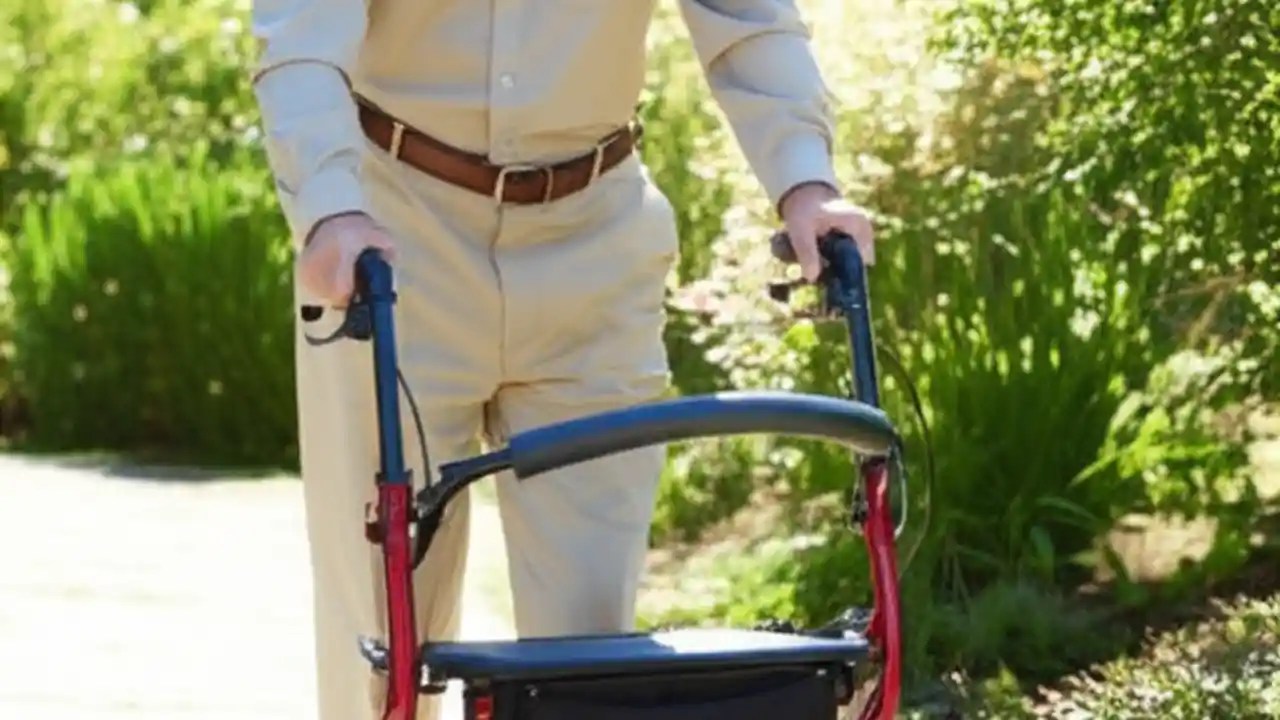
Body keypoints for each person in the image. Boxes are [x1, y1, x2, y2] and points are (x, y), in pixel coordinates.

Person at [249, 1, 876, 718]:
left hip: (595, 244)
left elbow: (750, 22)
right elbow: (301, 40)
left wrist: (807, 186)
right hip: (392, 239)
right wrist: (330, 208)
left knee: (589, 655)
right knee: (381, 642)